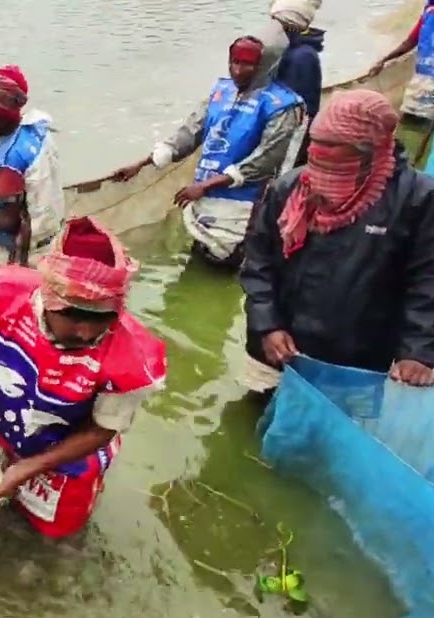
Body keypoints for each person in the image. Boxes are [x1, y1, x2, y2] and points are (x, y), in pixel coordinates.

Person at [0, 217, 167, 538]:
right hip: (3, 427)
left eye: (101, 318)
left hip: (66, 462)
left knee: (52, 535)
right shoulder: (7, 297)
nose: (85, 331)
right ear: (49, 297)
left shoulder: (129, 358)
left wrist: (31, 466)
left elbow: (102, 430)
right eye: (71, 314)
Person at [239, 89, 434, 394]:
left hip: (355, 364)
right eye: (318, 150)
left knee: (335, 435)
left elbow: (427, 282)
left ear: (373, 150)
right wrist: (266, 324)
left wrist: (418, 352)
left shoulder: (418, 201)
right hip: (277, 349)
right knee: (255, 418)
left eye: (335, 154)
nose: (320, 169)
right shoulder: (292, 187)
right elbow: (258, 261)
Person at [114, 37, 305, 269]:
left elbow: (265, 160)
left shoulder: (280, 105)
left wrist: (206, 186)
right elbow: (190, 132)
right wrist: (144, 163)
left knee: (227, 266)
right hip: (203, 201)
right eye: (234, 62)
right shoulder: (221, 91)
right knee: (198, 261)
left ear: (265, 66)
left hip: (243, 206)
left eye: (247, 64)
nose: (238, 70)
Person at [0, 65, 64, 267]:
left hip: (22, 255)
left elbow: (8, 221)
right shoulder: (35, 130)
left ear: (2, 112)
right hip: (51, 239)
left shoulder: (10, 162)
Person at [271, 0, 325, 167]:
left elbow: (305, 108)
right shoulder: (283, 48)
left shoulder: (302, 56)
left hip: (293, 132)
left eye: (277, 21)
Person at [371, 0, 434, 122]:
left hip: (423, 82)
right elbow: (410, 42)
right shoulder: (428, 13)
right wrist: (384, 60)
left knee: (413, 126)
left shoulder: (428, 13)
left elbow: (409, 43)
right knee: (413, 124)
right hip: (424, 81)